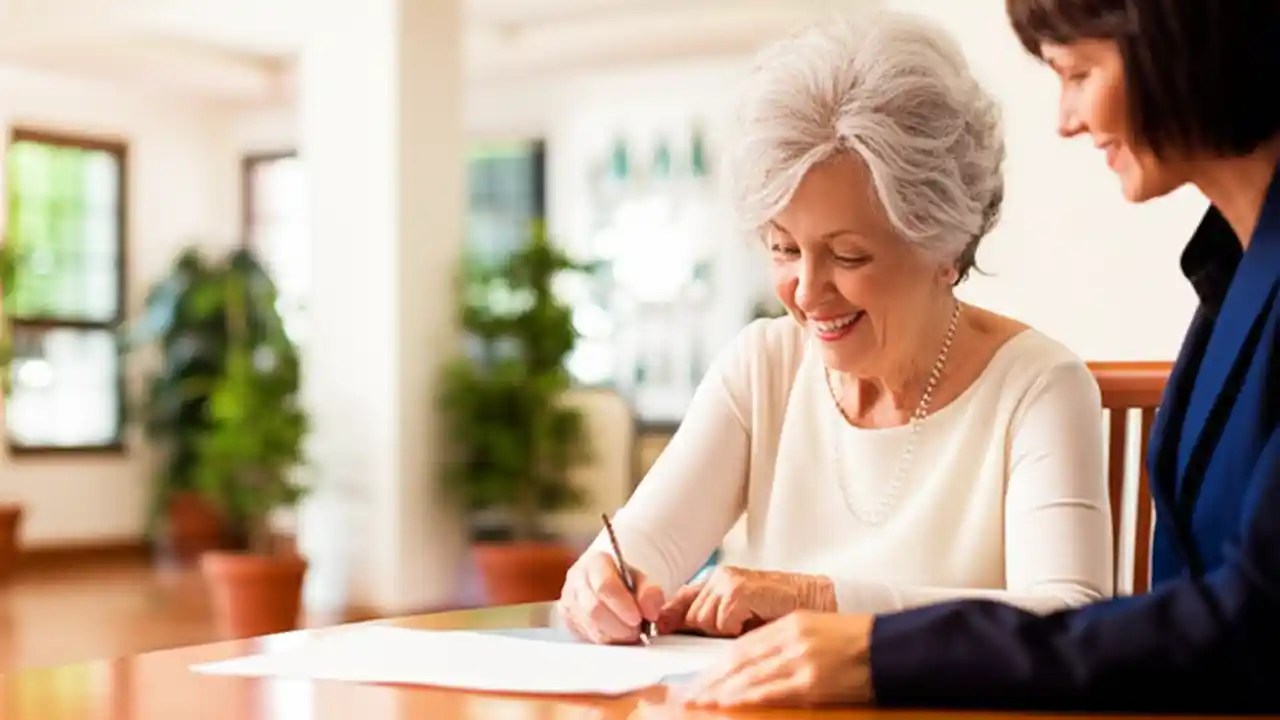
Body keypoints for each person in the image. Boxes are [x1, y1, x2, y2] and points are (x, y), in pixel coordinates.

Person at [679, 0, 1280, 713]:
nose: (1066, 118)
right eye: (784, 249)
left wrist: (873, 649)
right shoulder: (1231, 275)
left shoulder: (1049, 375)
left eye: (1079, 72)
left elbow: (1251, 623)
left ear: (1183, 46)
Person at [557, 11, 1113, 648]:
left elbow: (1071, 618)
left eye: (848, 255)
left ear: (945, 246)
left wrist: (817, 597)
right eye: (783, 249)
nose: (806, 291)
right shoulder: (764, 366)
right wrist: (599, 587)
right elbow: (638, 553)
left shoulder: (1038, 386)